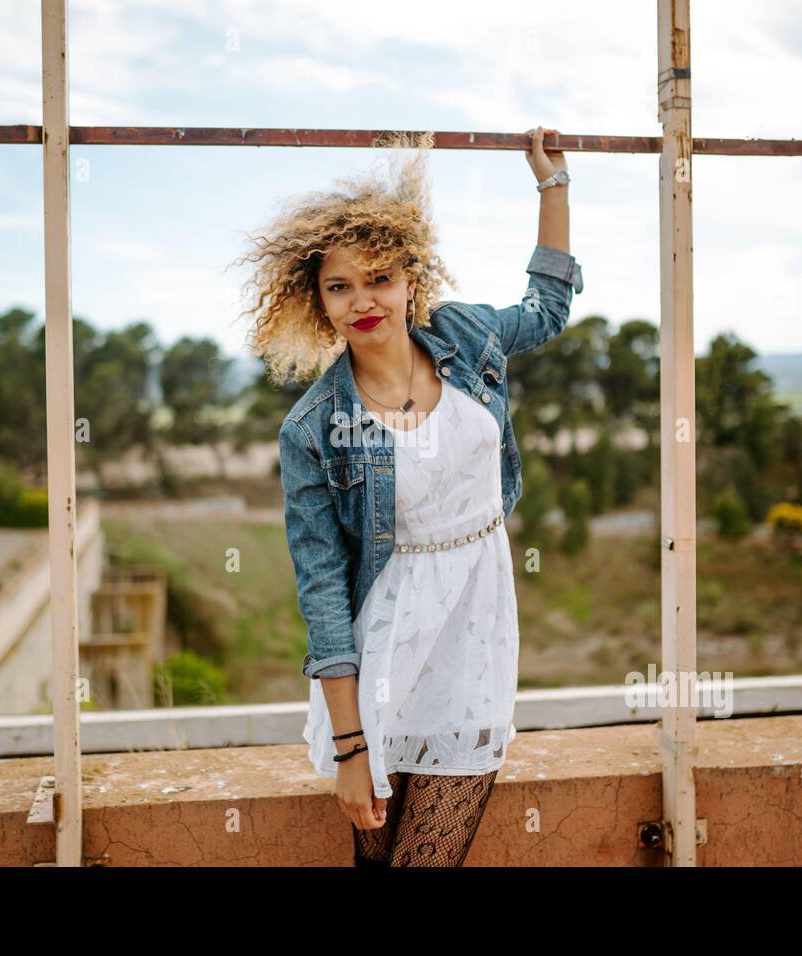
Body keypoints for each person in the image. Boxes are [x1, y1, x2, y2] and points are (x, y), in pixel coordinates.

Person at [235, 127, 583, 866]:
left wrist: (553, 186)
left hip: (477, 628)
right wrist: (352, 750)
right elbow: (324, 593)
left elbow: (547, 309)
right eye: (339, 286)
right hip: (384, 646)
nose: (363, 300)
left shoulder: (467, 338)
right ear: (318, 303)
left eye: (379, 278)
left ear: (410, 280)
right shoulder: (313, 428)